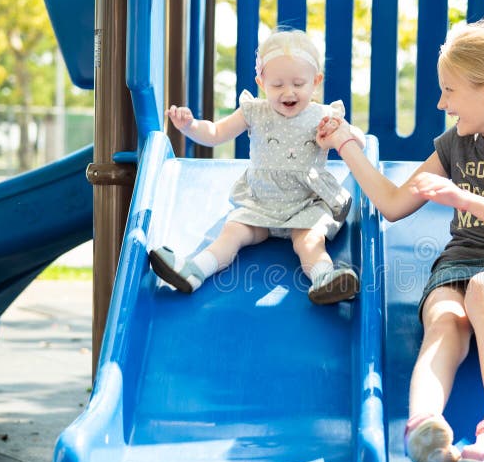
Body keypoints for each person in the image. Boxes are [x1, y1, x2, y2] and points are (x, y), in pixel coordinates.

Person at [317, 19, 484, 462]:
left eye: (450, 91)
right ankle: (425, 430)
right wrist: (346, 145)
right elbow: (395, 203)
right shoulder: (456, 144)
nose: (442, 103)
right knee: (445, 320)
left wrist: (464, 198)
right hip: (455, 267)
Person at [149, 28, 360, 305]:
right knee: (231, 234)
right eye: (277, 84)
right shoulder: (254, 111)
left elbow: (359, 142)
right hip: (260, 204)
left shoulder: (324, 115)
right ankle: (194, 271)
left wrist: (341, 133)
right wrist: (190, 126)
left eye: (299, 83)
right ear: (261, 81)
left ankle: (324, 279)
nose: (288, 92)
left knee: (309, 242)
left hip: (306, 204)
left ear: (316, 81)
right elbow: (214, 133)